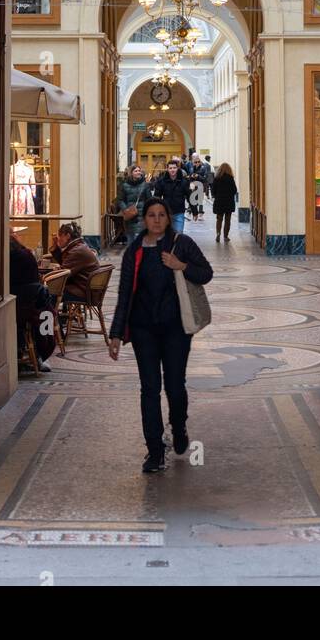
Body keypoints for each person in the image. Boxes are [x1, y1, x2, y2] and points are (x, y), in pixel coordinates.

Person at [108, 200, 213, 473]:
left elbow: (206, 273)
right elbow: (124, 295)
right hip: (144, 329)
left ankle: (179, 426)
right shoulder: (134, 251)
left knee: (175, 385)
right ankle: (155, 450)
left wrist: (181, 265)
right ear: (144, 220)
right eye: (151, 216)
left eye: (161, 215)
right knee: (149, 388)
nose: (156, 220)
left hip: (176, 328)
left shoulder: (182, 244)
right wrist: (116, 333)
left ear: (168, 219)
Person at [9, 232, 55, 370]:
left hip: (15, 308)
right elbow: (35, 278)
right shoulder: (28, 255)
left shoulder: (7, 258)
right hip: (34, 307)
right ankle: (40, 356)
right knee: (47, 313)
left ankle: (18, 350)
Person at [52, 220, 101, 318]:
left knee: (50, 293)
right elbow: (65, 264)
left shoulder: (76, 251)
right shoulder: (78, 246)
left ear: (68, 236)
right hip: (84, 287)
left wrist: (55, 271)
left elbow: (62, 275)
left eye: (60, 236)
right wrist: (56, 247)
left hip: (84, 292)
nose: (58, 238)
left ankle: (54, 324)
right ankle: (57, 321)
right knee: (52, 291)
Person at [150, 159, 190, 232]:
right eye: (170, 168)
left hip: (179, 212)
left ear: (177, 168)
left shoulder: (183, 182)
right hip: (166, 212)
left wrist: (194, 211)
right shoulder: (162, 182)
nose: (172, 170)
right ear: (167, 169)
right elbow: (157, 197)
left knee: (179, 233)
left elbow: (189, 196)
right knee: (167, 235)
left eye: (174, 168)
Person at [117, 164, 150, 244]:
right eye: (136, 171)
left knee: (138, 238)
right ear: (131, 173)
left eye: (139, 171)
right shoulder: (125, 185)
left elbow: (149, 199)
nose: (138, 172)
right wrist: (125, 210)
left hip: (141, 215)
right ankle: (131, 255)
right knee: (130, 239)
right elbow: (120, 200)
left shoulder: (144, 185)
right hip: (130, 216)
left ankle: (138, 255)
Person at [210, 163, 238, 243]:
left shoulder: (216, 178)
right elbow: (234, 190)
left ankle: (218, 234)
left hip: (219, 201)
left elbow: (213, 190)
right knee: (227, 220)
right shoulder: (230, 178)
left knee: (219, 219)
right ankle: (225, 236)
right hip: (228, 202)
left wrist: (216, 196)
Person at [187, 154, 212, 220]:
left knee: (200, 199)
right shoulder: (191, 167)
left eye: (198, 162)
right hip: (193, 185)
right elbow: (188, 177)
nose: (197, 163)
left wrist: (198, 176)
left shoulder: (203, 168)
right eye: (195, 162)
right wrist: (191, 176)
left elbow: (205, 178)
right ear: (193, 162)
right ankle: (190, 211)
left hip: (201, 185)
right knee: (192, 198)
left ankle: (200, 213)